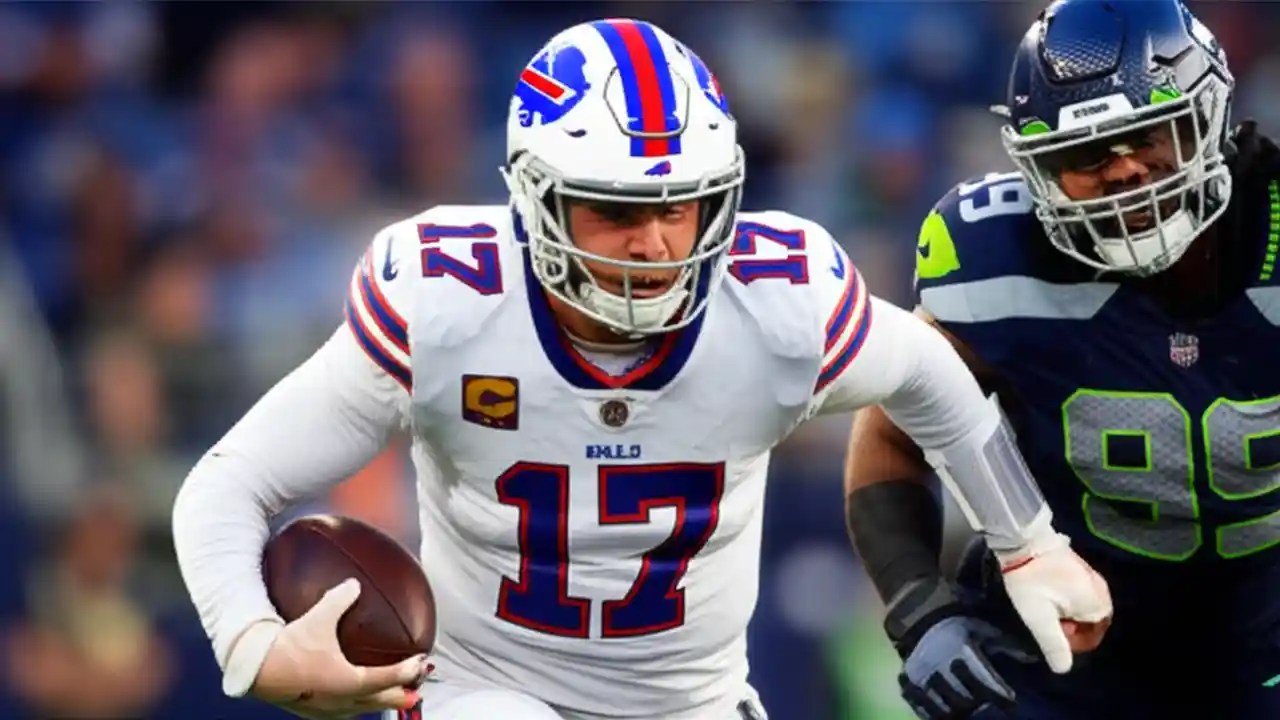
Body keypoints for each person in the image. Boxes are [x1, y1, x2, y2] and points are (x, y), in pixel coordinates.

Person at [173, 18, 1108, 720]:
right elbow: (229, 485)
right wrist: (259, 648)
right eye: (616, 211)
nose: (657, 243)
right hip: (485, 690)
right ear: (536, 198)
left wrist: (1028, 539)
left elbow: (928, 377)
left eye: (682, 207)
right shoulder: (448, 305)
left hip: (695, 702)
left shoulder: (777, 305)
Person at [844, 1, 1280, 718]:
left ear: (1207, 117)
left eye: (1147, 135)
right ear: (1036, 169)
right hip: (1061, 642)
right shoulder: (992, 255)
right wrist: (920, 608)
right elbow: (891, 429)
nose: (1125, 173)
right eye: (1083, 157)